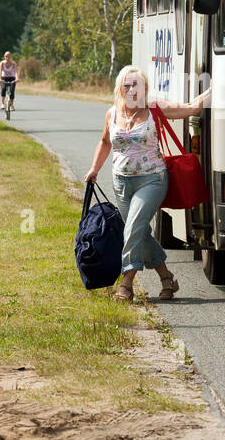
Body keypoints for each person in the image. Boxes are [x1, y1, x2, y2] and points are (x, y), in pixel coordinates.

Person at [84, 67, 211, 301]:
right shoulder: (111, 114)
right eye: (127, 85)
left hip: (152, 179)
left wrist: (217, 88)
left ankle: (127, 284)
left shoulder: (155, 109)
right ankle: (167, 279)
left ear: (145, 88)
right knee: (140, 233)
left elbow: (192, 108)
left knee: (132, 228)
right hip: (121, 182)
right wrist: (94, 169)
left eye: (137, 85)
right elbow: (104, 143)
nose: (132, 89)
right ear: (120, 88)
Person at [0, 51, 18, 115]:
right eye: (6, 56)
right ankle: (2, 103)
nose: (8, 58)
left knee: (12, 91)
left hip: (12, 78)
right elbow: (0, 71)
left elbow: (15, 72)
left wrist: (17, 78)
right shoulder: (2, 63)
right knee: (3, 88)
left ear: (11, 57)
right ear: (4, 57)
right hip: (3, 78)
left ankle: (12, 105)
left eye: (9, 56)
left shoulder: (13, 63)